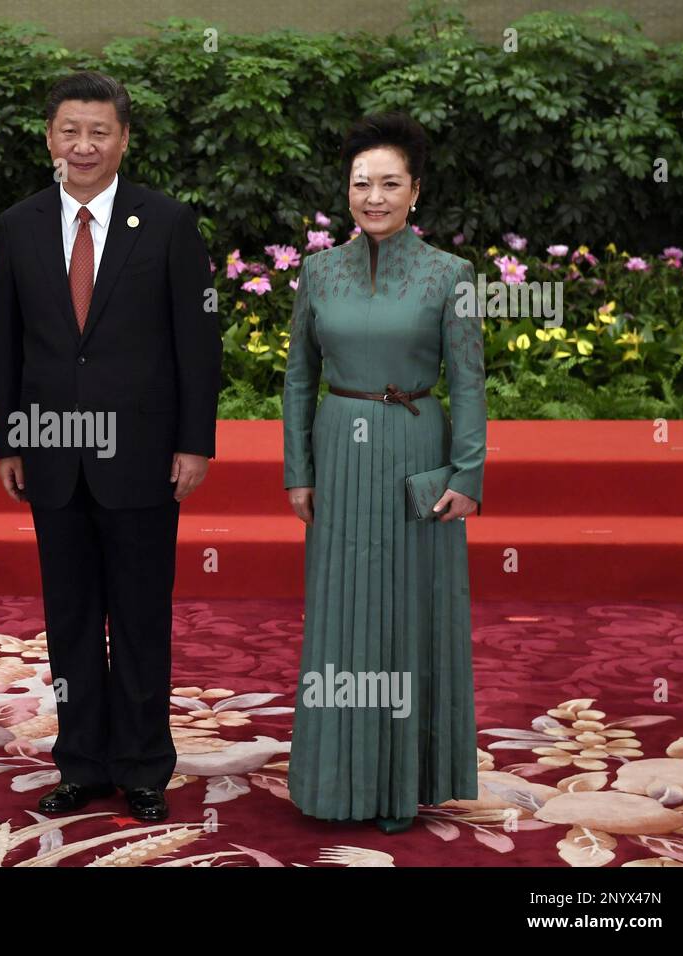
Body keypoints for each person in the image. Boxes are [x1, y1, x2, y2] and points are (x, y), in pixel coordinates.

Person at [0, 71, 222, 822]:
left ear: (124, 139)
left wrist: (194, 442)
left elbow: (197, 342)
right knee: (72, 617)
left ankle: (145, 763)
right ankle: (82, 760)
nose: (82, 145)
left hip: (144, 454)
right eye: (68, 131)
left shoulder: (167, 223)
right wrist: (9, 441)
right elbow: (5, 347)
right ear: (48, 137)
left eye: (98, 132)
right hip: (52, 453)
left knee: (143, 613)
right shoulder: (18, 226)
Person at [283, 112, 485, 833]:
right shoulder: (317, 270)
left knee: (410, 613)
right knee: (339, 616)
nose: (374, 196)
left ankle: (409, 782)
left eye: (390, 183)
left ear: (416, 191)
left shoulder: (450, 274)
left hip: (416, 453)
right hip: (338, 450)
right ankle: (338, 782)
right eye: (361, 183)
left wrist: (467, 473)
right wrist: (297, 470)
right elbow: (298, 380)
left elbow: (468, 382)